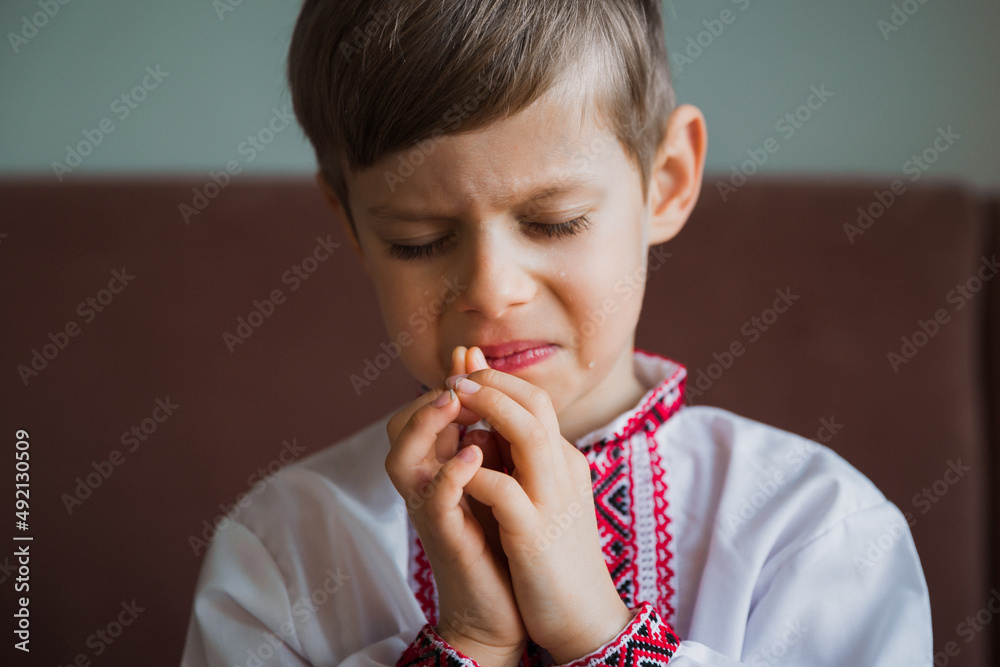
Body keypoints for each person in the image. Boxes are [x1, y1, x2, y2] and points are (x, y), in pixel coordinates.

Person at [180, 1, 932, 665]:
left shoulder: (815, 527)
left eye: (554, 222)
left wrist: (600, 637)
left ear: (667, 180)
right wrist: (471, 644)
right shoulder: (282, 548)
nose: (490, 289)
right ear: (351, 225)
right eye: (418, 240)